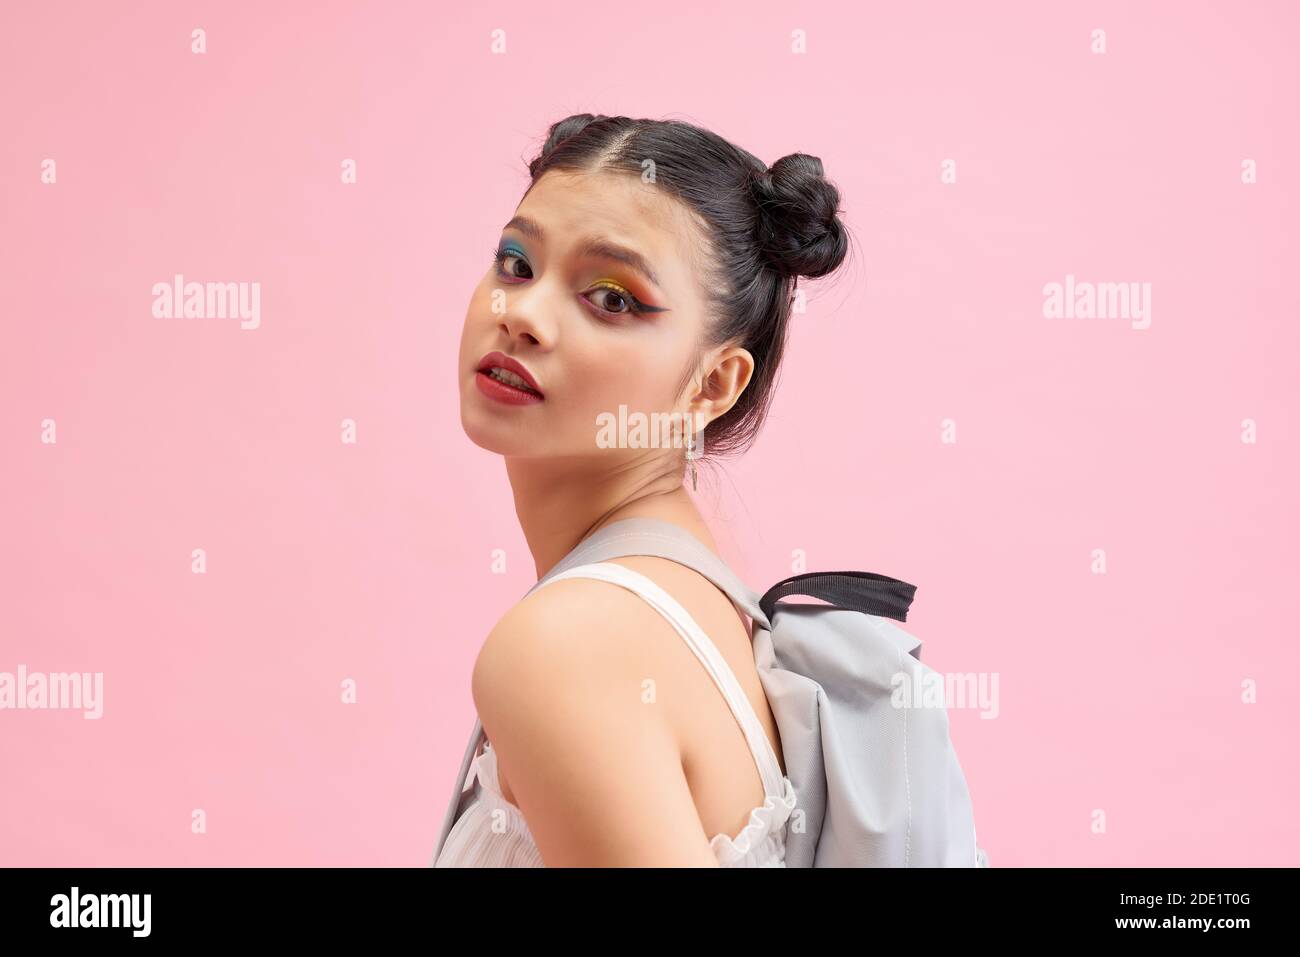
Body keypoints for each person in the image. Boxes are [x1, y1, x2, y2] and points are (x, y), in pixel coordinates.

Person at [438, 113, 851, 867]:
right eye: (515, 263)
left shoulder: (567, 644)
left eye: (613, 298)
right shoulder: (707, 598)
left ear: (713, 384)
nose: (522, 316)